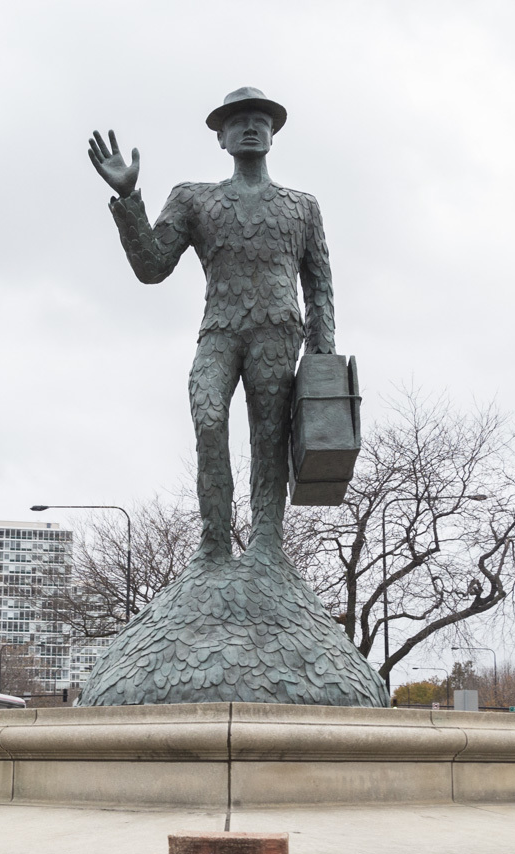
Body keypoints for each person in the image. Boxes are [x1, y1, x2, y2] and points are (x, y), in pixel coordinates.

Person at [87, 87, 332, 562]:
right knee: (208, 415)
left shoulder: (302, 206)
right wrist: (128, 198)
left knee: (269, 434)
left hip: (279, 331)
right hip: (220, 329)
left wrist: (322, 346)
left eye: (260, 120)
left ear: (273, 134)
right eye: (237, 121)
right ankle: (215, 540)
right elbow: (152, 267)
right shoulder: (195, 199)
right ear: (220, 138)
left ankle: (266, 541)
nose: (249, 127)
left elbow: (319, 282)